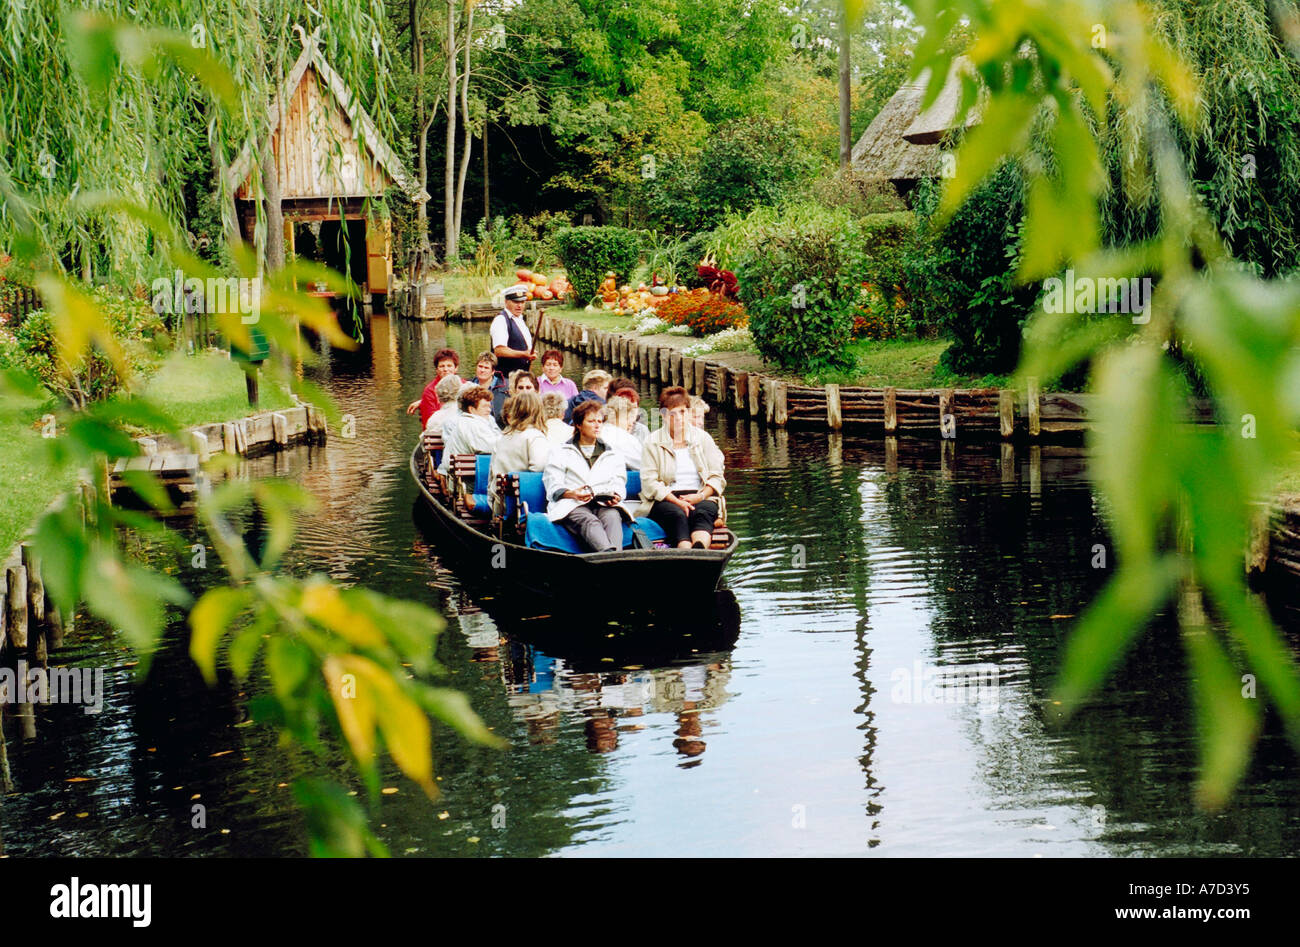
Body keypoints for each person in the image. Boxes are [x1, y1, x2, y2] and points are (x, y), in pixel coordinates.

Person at [638, 386, 726, 550]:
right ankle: (686, 552)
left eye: (683, 412)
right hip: (666, 498)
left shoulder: (703, 438)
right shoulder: (652, 441)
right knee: (677, 515)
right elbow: (649, 482)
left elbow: (717, 477)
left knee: (703, 512)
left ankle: (700, 548)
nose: (679, 418)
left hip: (699, 494)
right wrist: (676, 500)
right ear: (663, 415)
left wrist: (699, 496)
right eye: (673, 414)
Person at [542, 400, 633, 552]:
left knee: (612, 517)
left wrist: (616, 495)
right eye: (591, 421)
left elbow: (619, 480)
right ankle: (611, 558)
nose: (597, 425)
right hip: (572, 503)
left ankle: (613, 558)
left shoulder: (613, 453)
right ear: (578, 424)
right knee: (590, 521)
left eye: (599, 421)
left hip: (604, 502)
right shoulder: (560, 451)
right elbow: (553, 482)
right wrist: (572, 493)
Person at [489, 391, 552, 516]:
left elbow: (492, 470)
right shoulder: (535, 437)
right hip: (522, 504)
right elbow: (541, 467)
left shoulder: (502, 436)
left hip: (500, 502)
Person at [439, 385, 501, 476]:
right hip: (465, 481)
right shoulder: (471, 424)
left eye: (489, 407)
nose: (488, 410)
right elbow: (492, 446)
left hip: (469, 474)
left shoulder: (473, 421)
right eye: (484, 406)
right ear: (471, 409)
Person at [406, 348, 461, 427]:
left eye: (449, 366)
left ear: (456, 368)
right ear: (437, 370)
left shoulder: (464, 385)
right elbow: (429, 422)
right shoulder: (430, 391)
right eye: (442, 366)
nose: (446, 369)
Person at [490, 284, 536, 377]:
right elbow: (499, 350)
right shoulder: (501, 320)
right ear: (506, 302)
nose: (519, 306)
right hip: (505, 378)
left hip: (521, 378)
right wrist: (524, 354)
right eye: (515, 302)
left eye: (522, 302)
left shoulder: (520, 320)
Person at [600, 395, 642, 470]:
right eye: (627, 418)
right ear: (613, 418)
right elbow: (644, 464)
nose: (631, 423)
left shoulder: (598, 432)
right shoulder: (624, 437)